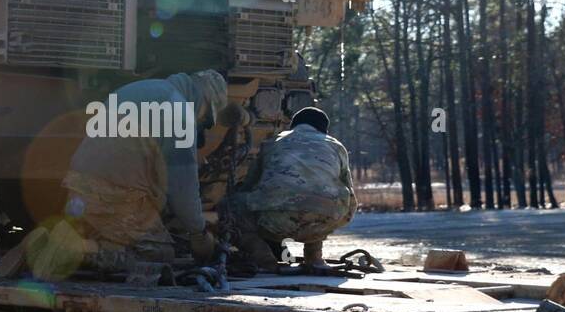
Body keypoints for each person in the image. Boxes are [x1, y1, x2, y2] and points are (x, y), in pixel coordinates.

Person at [59, 70, 228, 271]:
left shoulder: (141, 89)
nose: (202, 124)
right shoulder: (180, 111)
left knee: (122, 238)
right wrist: (198, 233)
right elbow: (182, 187)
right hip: (113, 196)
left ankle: (79, 240)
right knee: (159, 255)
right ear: (205, 102)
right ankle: (78, 249)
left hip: (78, 190)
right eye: (206, 120)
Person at [230, 106, 356, 273]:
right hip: (324, 220)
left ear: (294, 125)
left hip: (275, 221)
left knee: (231, 205)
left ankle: (264, 259)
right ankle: (314, 257)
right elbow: (349, 191)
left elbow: (250, 185)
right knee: (320, 197)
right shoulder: (335, 145)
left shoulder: (272, 143)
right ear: (323, 129)